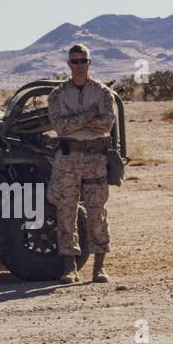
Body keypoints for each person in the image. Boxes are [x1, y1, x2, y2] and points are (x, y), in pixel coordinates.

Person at [47, 44, 118, 284]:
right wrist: (89, 116)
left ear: (90, 62)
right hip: (67, 159)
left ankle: (99, 267)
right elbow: (60, 127)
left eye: (82, 60)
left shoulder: (103, 93)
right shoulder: (58, 94)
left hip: (95, 158)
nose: (78, 65)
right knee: (66, 212)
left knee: (97, 212)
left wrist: (75, 121)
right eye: (74, 61)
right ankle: (70, 267)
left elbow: (106, 124)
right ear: (68, 64)